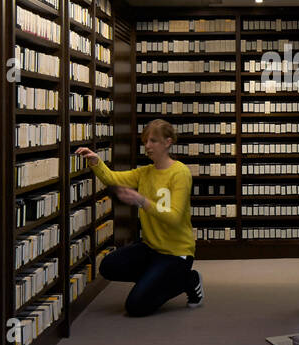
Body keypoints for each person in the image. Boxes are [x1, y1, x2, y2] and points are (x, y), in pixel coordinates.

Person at [73, 119, 203, 317]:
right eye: (145, 141)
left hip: (177, 254)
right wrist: (96, 161)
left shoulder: (180, 173)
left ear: (168, 142)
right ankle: (155, 279)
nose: (147, 146)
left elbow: (175, 217)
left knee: (136, 306)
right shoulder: (145, 172)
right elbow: (112, 178)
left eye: (153, 141)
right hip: (151, 248)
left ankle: (188, 279)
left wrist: (142, 201)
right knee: (108, 266)